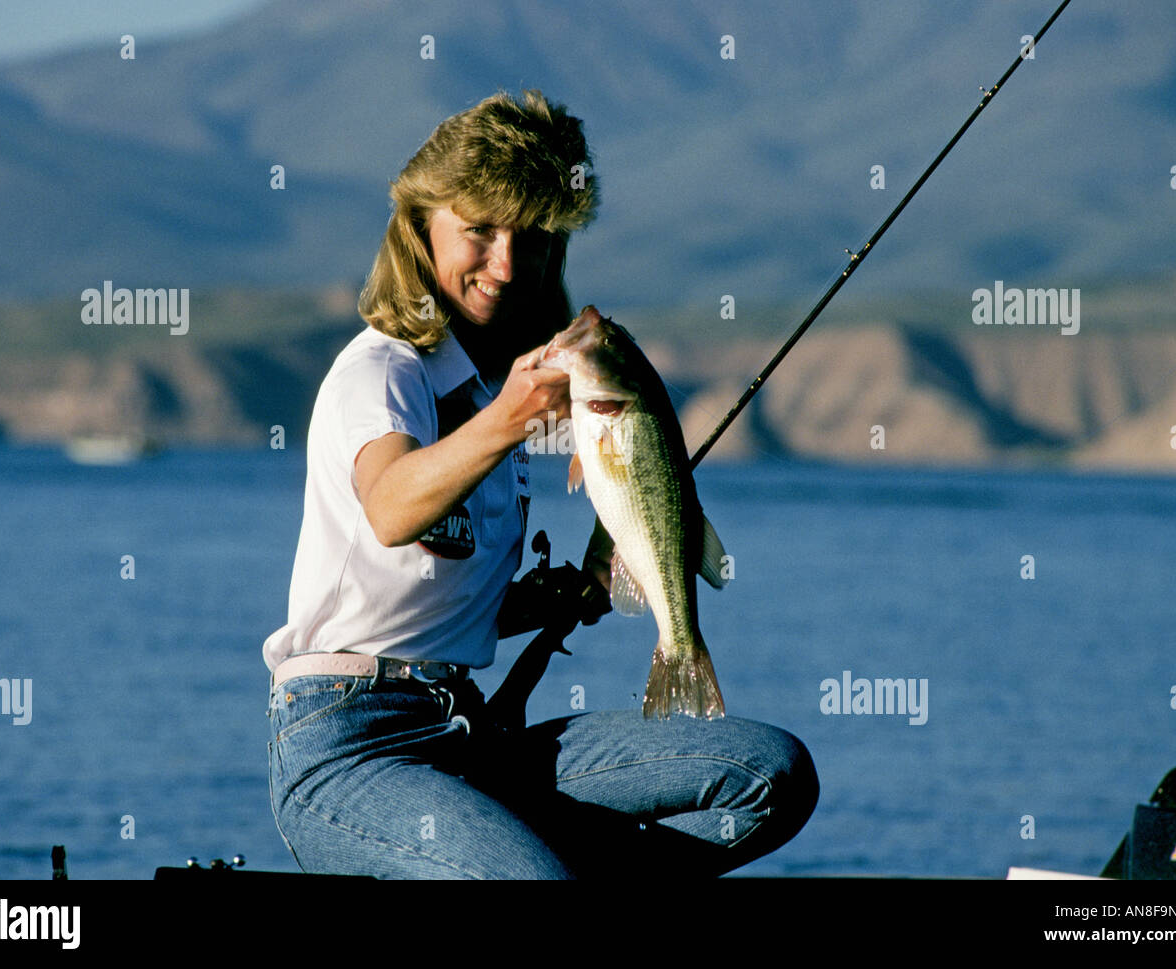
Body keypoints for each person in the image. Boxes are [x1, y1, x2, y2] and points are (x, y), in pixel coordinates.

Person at [263, 90, 818, 878]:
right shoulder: (382, 370)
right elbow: (388, 508)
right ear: (423, 227)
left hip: (467, 735)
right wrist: (515, 420)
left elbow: (434, 602)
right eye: (479, 229)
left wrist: (551, 598)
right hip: (346, 747)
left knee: (771, 773)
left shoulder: (492, 392)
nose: (505, 262)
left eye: (530, 236)